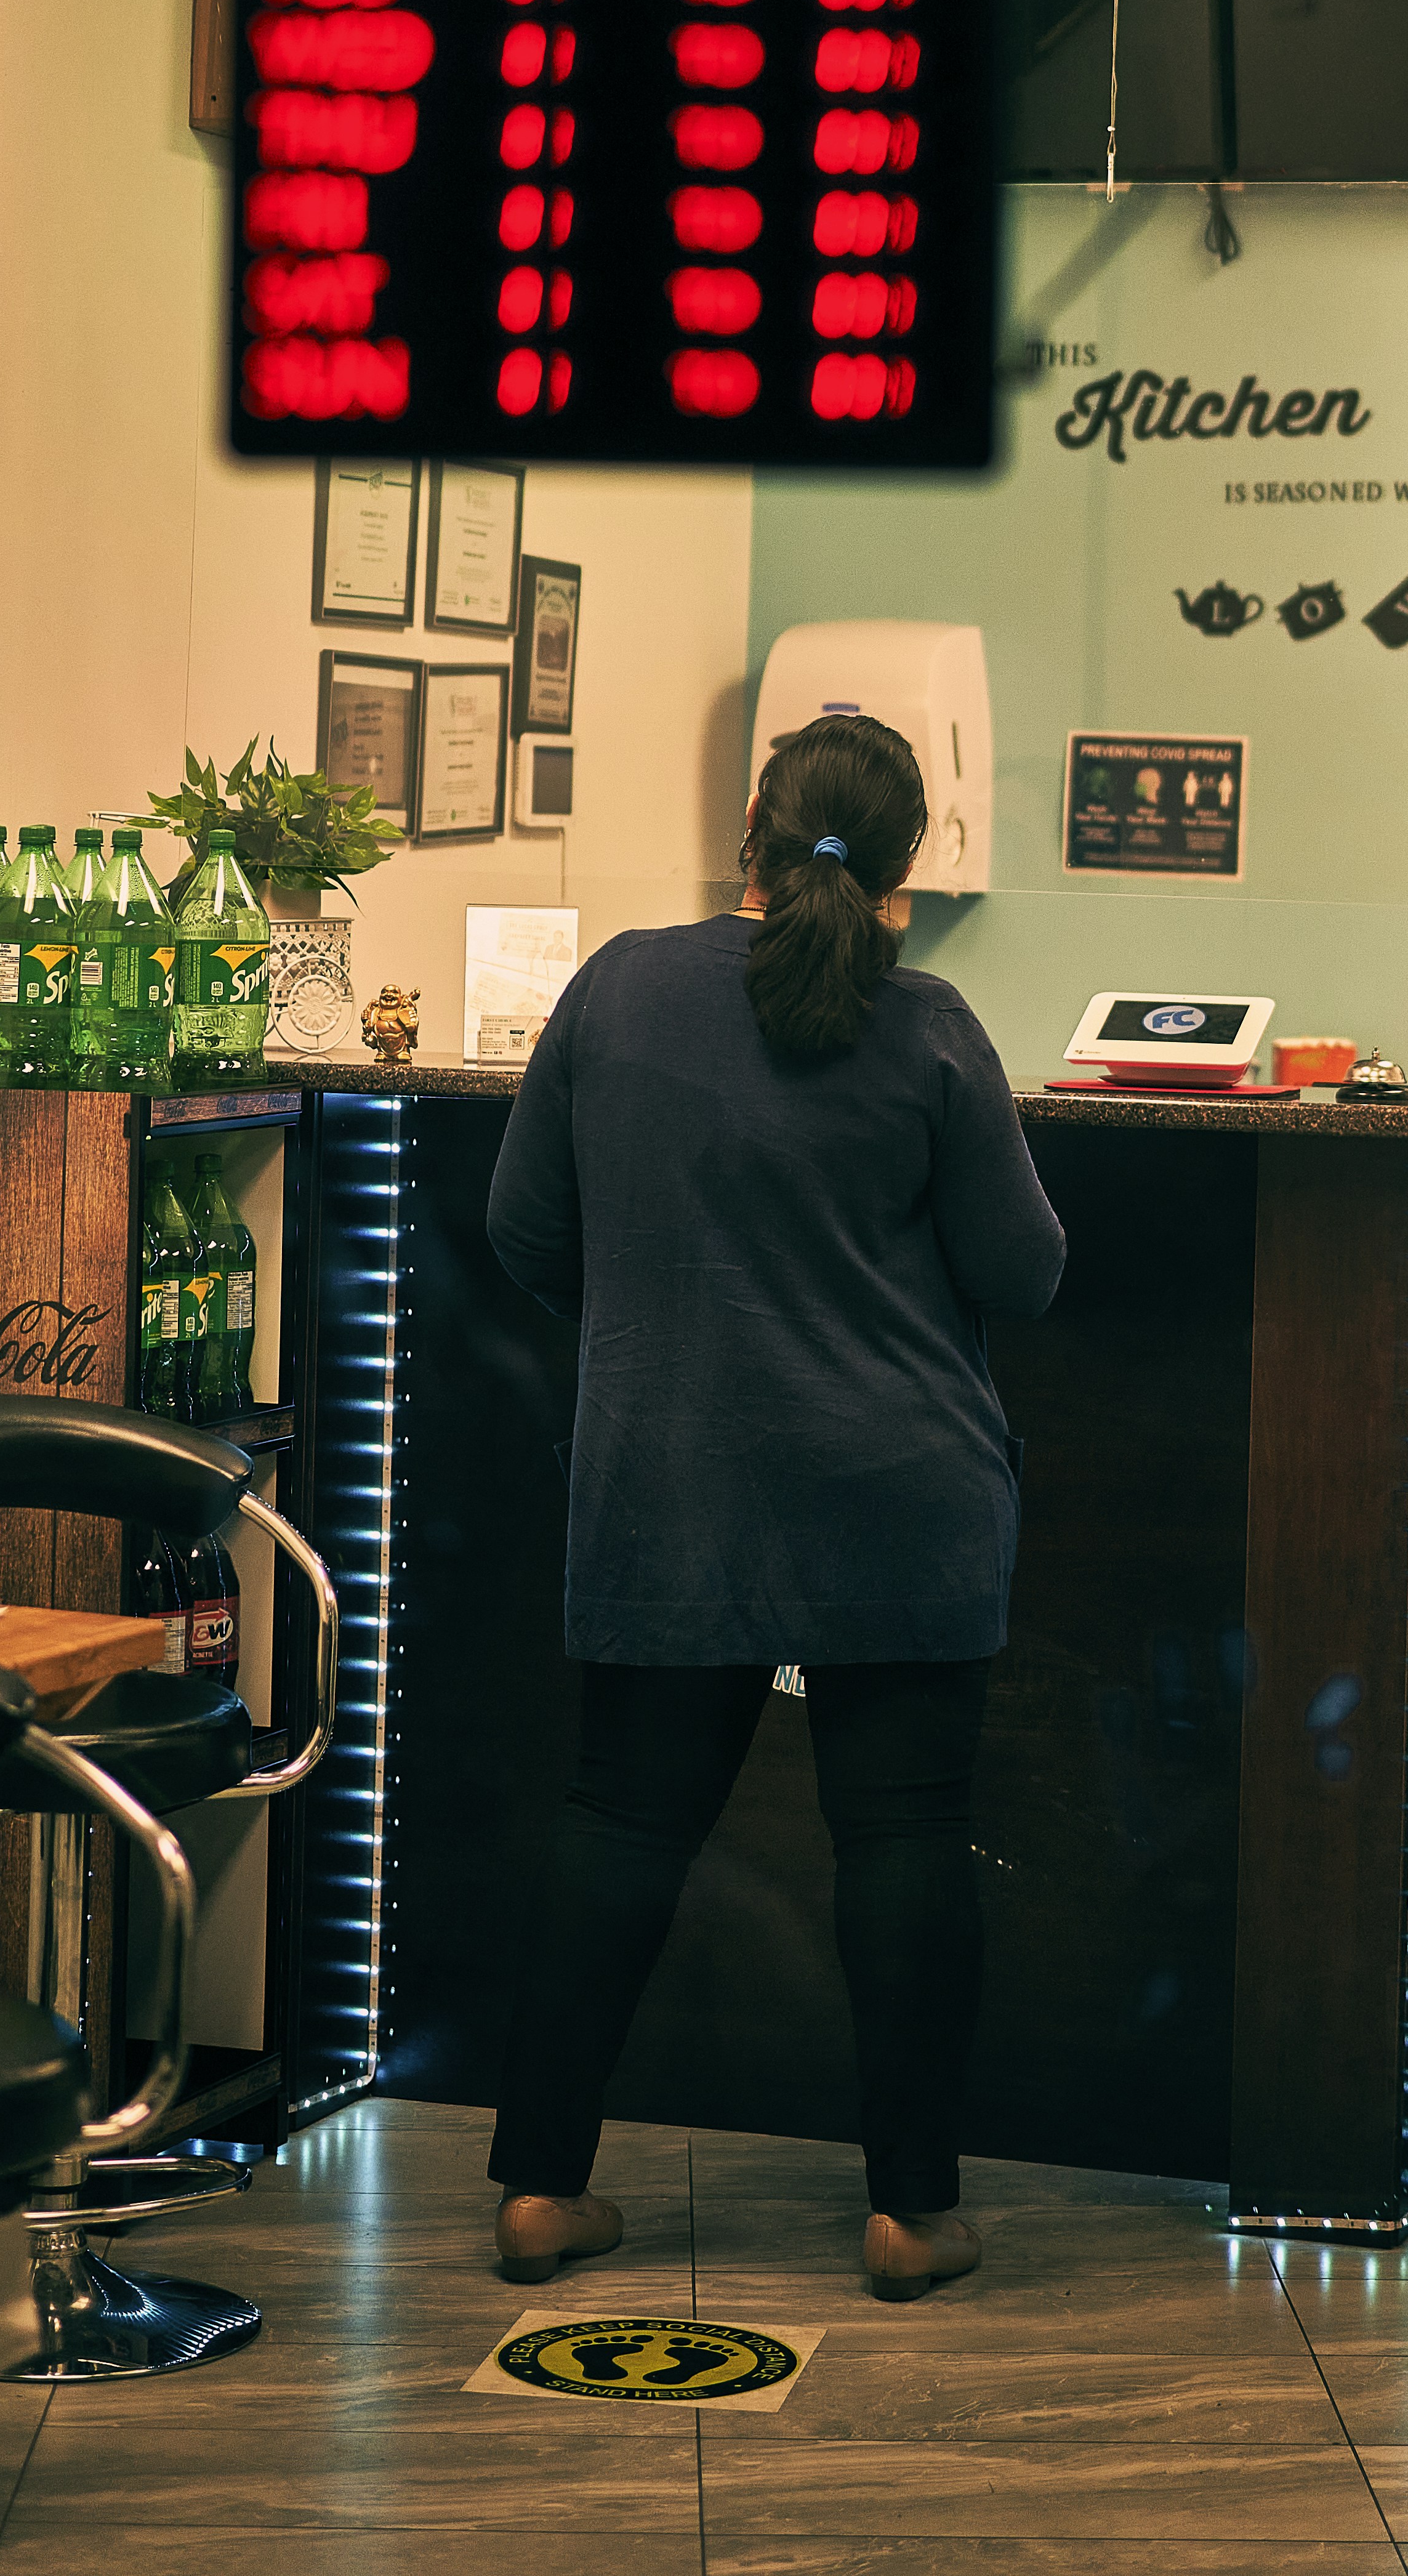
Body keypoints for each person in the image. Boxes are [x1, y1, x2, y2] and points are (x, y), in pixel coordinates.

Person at [483, 711, 1066, 2301]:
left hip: (669, 1496)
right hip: (900, 1503)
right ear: (912, 866)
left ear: (747, 822)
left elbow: (522, 1227)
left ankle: (541, 2187)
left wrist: (661, 1333)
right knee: (904, 1838)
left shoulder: (616, 988)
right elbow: (1028, 1270)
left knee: (620, 1825)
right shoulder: (933, 1026)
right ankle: (910, 2213)